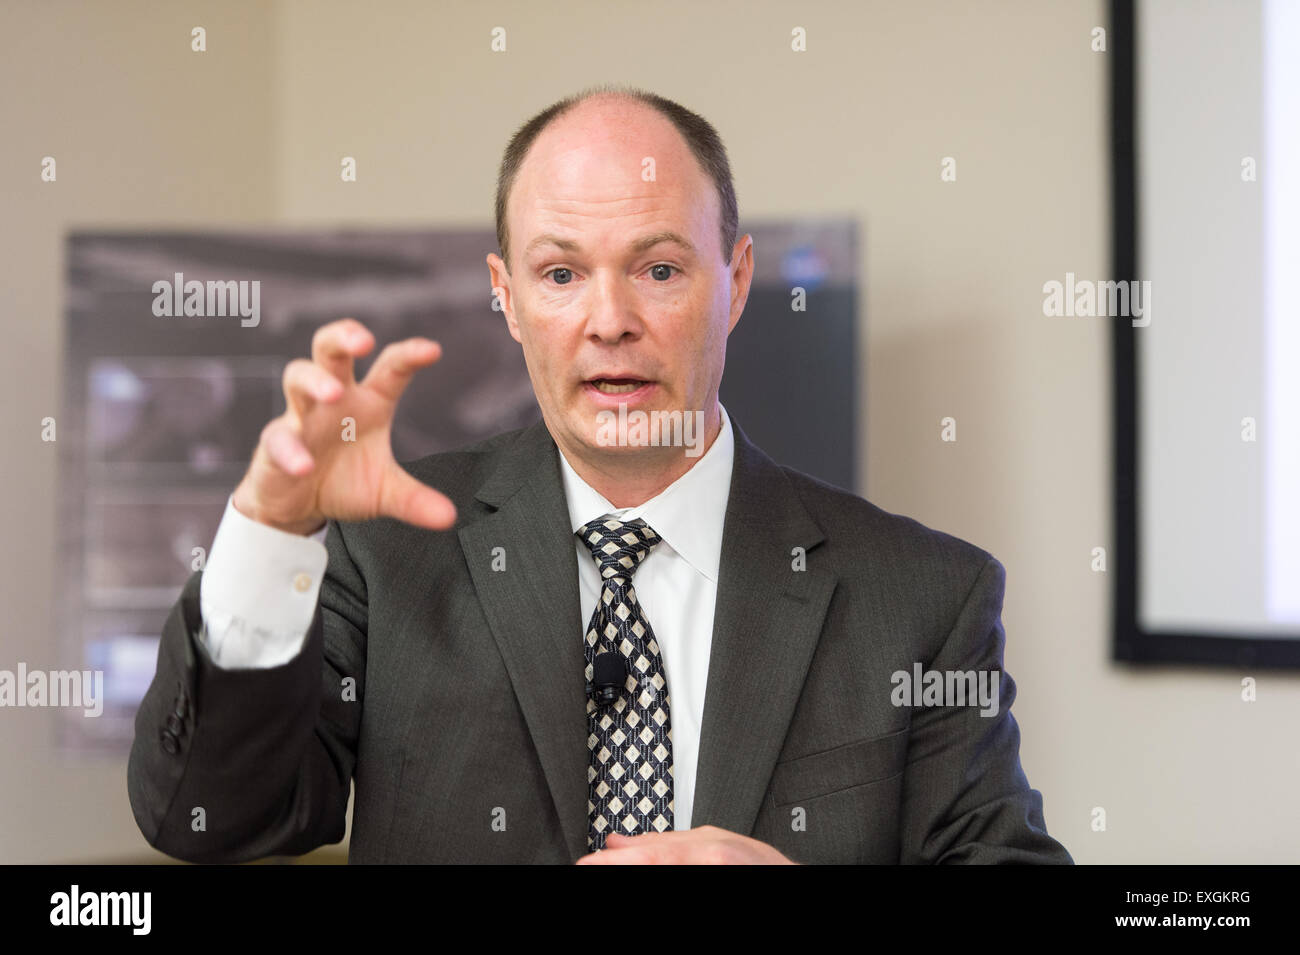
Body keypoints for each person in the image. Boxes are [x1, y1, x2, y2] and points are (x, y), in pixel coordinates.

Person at [127, 84, 1072, 865]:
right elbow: (210, 818)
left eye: (659, 270)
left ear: (736, 282)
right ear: (505, 297)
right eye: (561, 274)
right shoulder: (385, 554)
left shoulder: (922, 598)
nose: (609, 318)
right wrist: (267, 533)